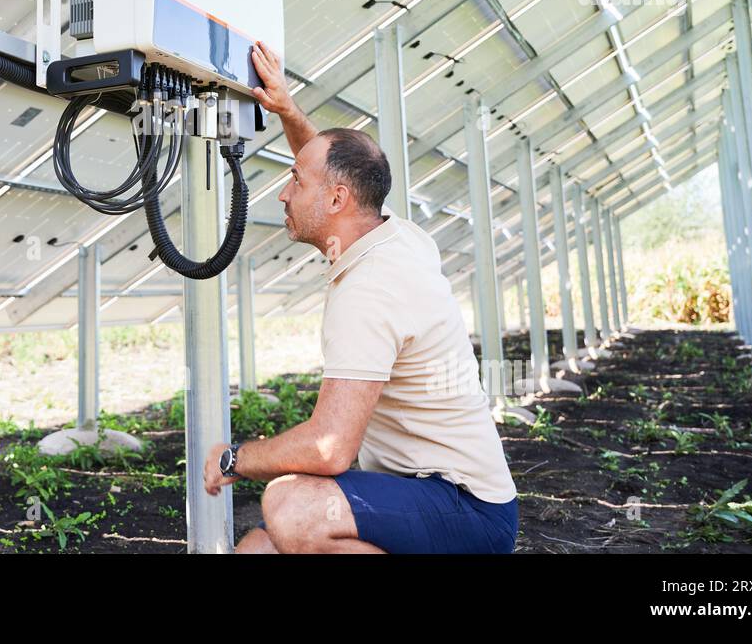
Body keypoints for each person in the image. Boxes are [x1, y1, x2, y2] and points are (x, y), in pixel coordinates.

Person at [202, 40, 518, 554]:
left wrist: (233, 459)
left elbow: (330, 450)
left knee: (291, 507)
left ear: (334, 201)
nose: (283, 193)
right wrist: (286, 108)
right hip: (425, 493)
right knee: (257, 548)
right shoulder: (394, 233)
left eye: (293, 181)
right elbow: (333, 170)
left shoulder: (369, 289)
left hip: (467, 509)